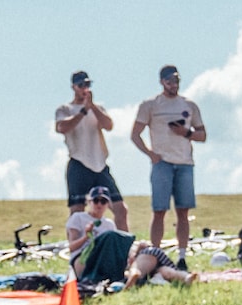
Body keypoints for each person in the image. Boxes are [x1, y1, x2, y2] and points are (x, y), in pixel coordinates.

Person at [131, 64, 206, 266]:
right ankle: (156, 254)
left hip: (184, 163)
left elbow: (202, 134)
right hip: (162, 163)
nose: (174, 84)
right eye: (170, 81)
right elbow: (135, 134)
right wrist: (150, 154)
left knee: (183, 211)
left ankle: (182, 256)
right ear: (162, 82)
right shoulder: (151, 105)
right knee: (159, 210)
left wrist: (186, 133)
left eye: (176, 81)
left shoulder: (189, 105)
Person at [56, 71, 129, 237]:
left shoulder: (98, 108)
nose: (84, 88)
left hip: (100, 164)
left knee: (120, 208)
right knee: (77, 211)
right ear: (73, 87)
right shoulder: (65, 109)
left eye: (87, 85)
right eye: (81, 85)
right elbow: (62, 128)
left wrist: (92, 107)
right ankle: (75, 249)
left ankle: (124, 248)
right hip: (78, 163)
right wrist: (82, 111)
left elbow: (109, 125)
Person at [65, 188, 134, 288]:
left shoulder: (109, 224)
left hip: (104, 258)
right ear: (89, 202)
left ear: (108, 204)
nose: (99, 205)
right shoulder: (78, 218)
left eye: (103, 201)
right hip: (82, 259)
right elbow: (71, 247)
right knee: (109, 236)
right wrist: (85, 236)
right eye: (96, 200)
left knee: (123, 239)